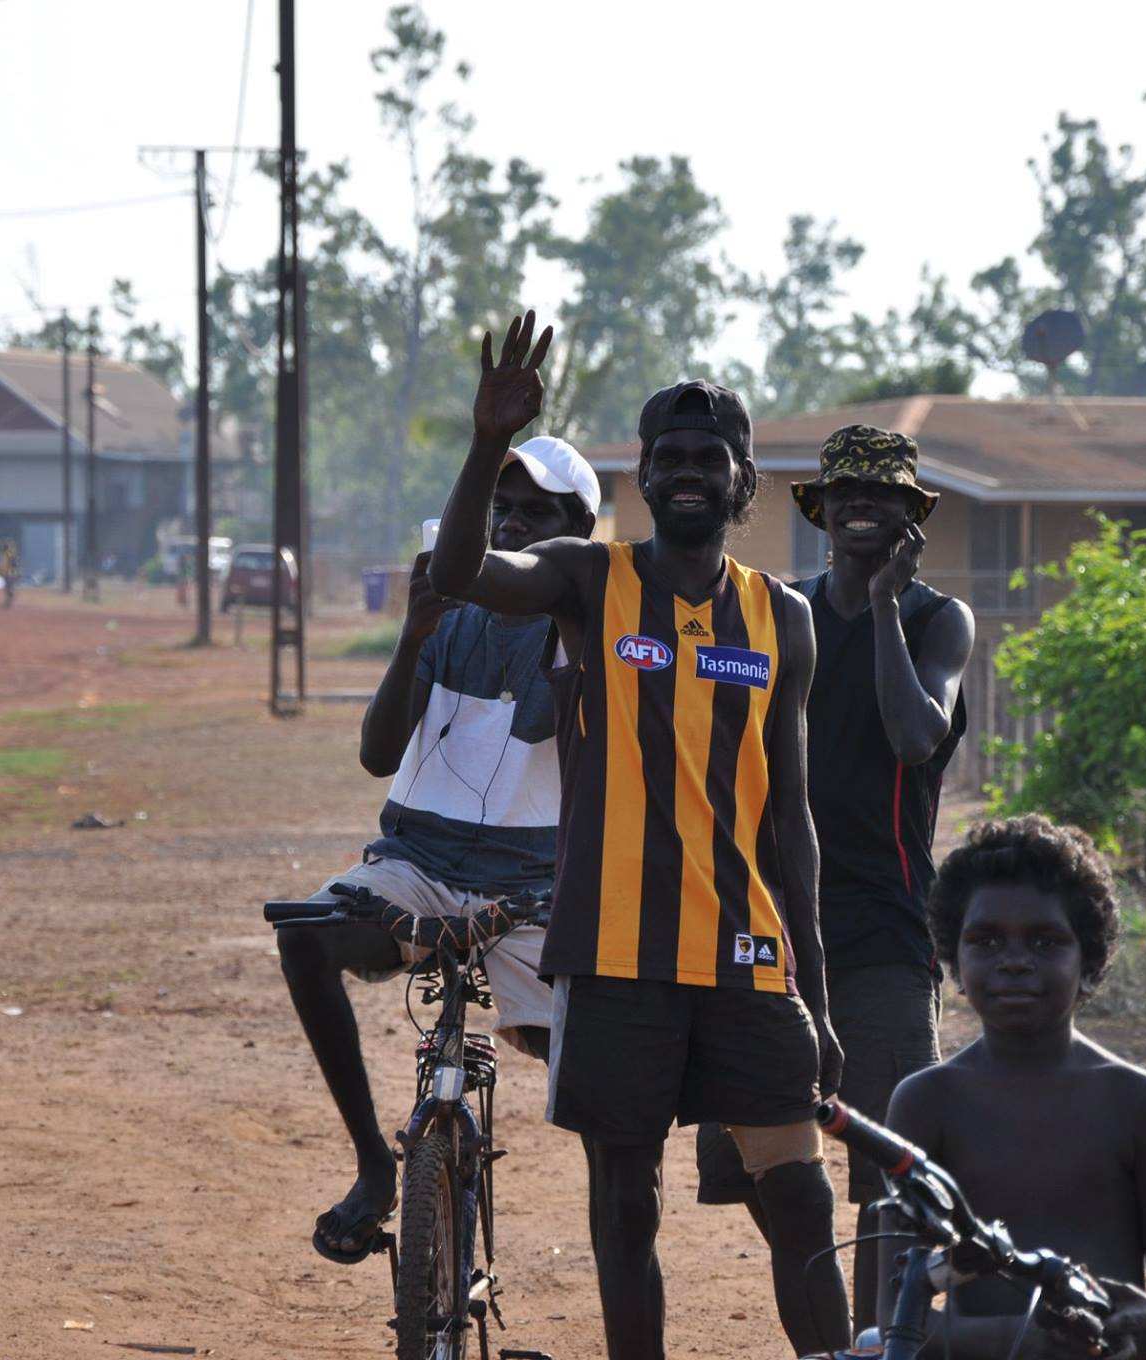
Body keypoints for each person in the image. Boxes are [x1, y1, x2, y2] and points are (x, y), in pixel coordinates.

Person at [429, 311, 850, 1358]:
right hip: (612, 954)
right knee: (627, 1203)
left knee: (795, 1199)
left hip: (747, 959)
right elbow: (457, 573)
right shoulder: (585, 578)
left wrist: (818, 993)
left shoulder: (780, 618)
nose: (689, 474)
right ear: (643, 479)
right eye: (669, 459)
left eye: (712, 459)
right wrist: (489, 442)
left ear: (744, 481)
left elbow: (788, 816)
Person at [278, 435, 598, 1265]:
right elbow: (378, 756)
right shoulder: (447, 611)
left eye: (538, 513)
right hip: (417, 860)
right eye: (504, 509)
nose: (514, 525)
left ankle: (622, 1221)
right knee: (304, 935)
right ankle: (372, 1169)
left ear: (579, 533)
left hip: (532, 881)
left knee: (601, 1074)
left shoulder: (585, 629)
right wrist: (413, 637)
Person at [696, 423, 973, 1323]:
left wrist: (885, 606)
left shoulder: (938, 620)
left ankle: (877, 1344)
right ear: (819, 510)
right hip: (766, 916)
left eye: (884, 495)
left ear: (910, 516)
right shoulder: (782, 611)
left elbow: (915, 736)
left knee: (887, 1180)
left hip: (883, 928)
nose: (864, 507)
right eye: (847, 493)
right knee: (771, 1170)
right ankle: (830, 1339)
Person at [875, 815, 1146, 1358]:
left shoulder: (1137, 1101)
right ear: (954, 962)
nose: (1013, 961)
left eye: (1045, 941)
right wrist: (1023, 1342)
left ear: (1089, 961)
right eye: (985, 940)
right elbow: (888, 1322)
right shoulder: (926, 1102)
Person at [0, 541, 18, 609]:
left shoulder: (9, 554)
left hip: (9, 573)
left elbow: (13, 564)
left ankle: (9, 601)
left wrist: (11, 570)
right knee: (7, 587)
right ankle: (8, 600)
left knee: (8, 587)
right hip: (7, 573)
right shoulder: (5, 555)